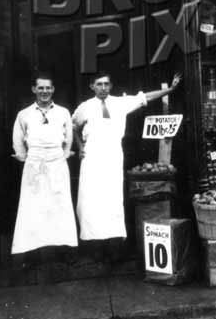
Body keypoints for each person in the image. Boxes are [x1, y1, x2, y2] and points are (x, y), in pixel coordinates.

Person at [72, 72, 181, 251]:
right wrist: (80, 147)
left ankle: (113, 244)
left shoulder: (120, 103)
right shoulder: (85, 107)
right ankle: (92, 243)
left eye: (106, 84)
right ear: (92, 86)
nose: (103, 88)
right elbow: (73, 127)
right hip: (92, 156)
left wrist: (170, 89)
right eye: (99, 84)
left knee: (112, 198)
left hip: (113, 154)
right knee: (90, 198)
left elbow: (145, 97)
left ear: (110, 86)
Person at [11, 73, 78, 257]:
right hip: (34, 163)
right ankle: (33, 253)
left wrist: (64, 154)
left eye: (48, 88)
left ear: (53, 89)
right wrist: (26, 157)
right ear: (34, 89)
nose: (44, 91)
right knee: (33, 207)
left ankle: (64, 250)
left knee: (60, 205)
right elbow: (18, 140)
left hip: (57, 162)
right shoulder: (24, 114)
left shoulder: (63, 112)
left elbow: (69, 137)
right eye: (41, 88)